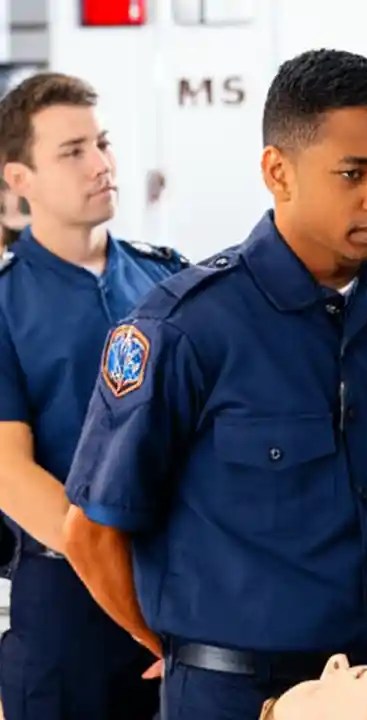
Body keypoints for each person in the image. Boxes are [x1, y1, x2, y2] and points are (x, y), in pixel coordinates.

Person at [59, 49, 367, 719]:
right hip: (235, 691)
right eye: (354, 173)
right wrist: (178, 649)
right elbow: (92, 533)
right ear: (278, 172)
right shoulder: (187, 327)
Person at [0, 71, 187, 720]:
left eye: (102, 143)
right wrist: (132, 608)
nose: (101, 164)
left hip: (174, 586)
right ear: (19, 178)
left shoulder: (170, 281)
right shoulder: (6, 305)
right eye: (72, 152)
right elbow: (10, 473)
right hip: (65, 605)